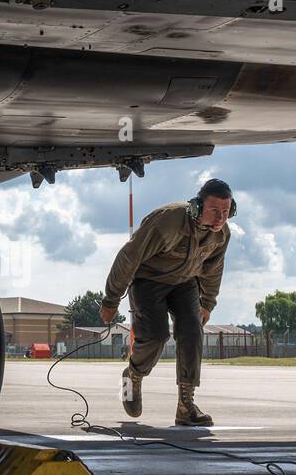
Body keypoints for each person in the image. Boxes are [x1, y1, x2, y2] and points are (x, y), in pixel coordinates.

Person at [99, 178, 234, 426]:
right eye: (214, 210)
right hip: (148, 280)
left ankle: (186, 405)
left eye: (225, 212)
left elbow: (213, 270)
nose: (220, 218)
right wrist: (111, 299)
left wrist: (207, 303)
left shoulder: (221, 235)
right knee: (156, 335)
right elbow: (129, 257)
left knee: (193, 332)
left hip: (185, 283)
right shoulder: (168, 222)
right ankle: (133, 376)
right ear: (197, 206)